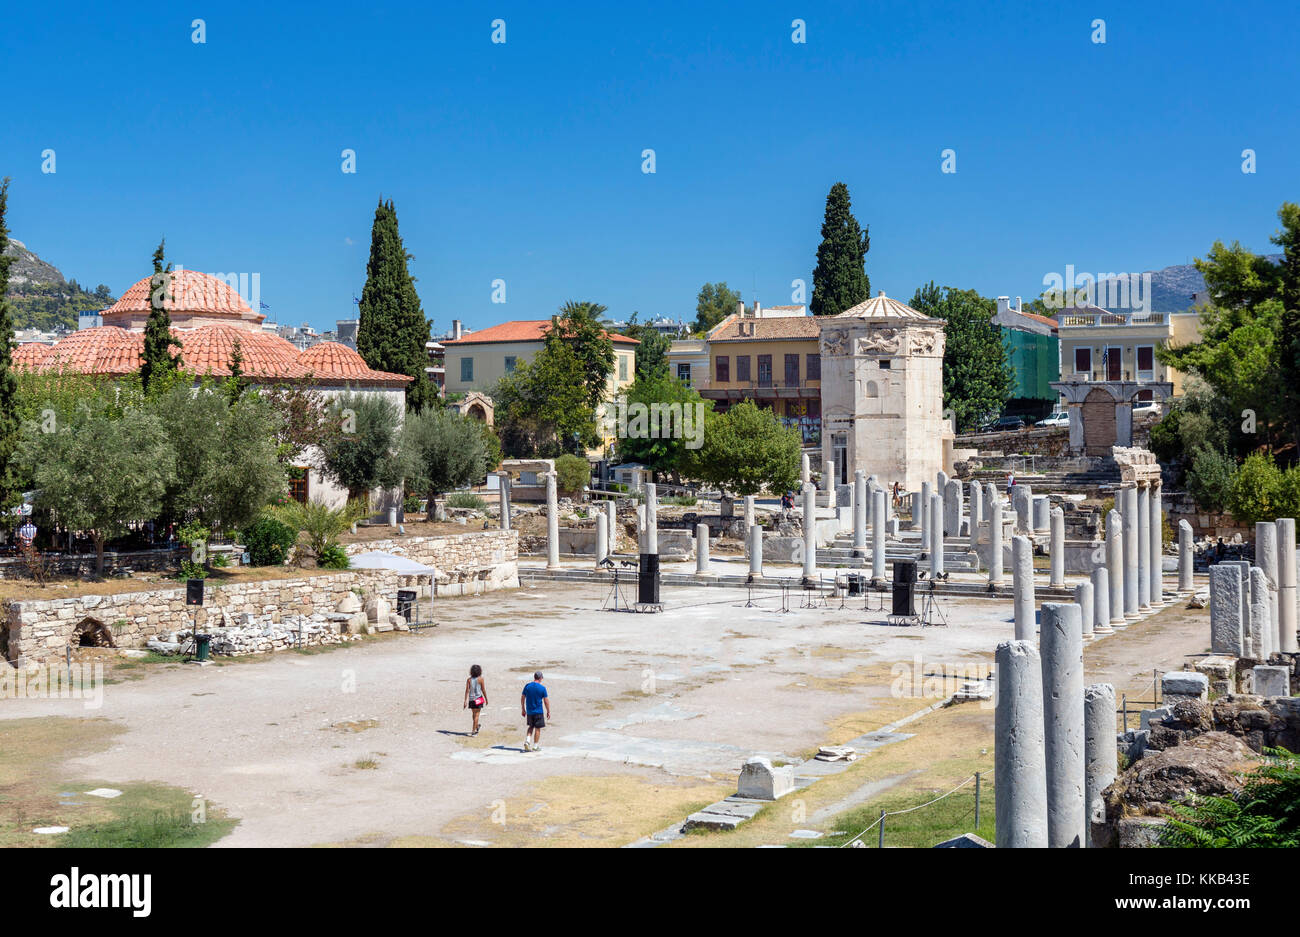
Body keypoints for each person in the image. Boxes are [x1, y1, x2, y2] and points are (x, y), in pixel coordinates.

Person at [520, 671, 550, 752]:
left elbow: (522, 698)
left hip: (529, 711)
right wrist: (548, 711)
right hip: (538, 711)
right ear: (540, 678)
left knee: (530, 727)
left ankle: (527, 741)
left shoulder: (527, 686)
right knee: (537, 728)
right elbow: (546, 701)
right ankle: (535, 746)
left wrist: (523, 709)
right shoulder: (542, 688)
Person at [464, 664, 488, 736]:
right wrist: (486, 699)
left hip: (471, 699)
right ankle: (474, 732)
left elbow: (467, 691)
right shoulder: (481, 679)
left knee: (474, 715)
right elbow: (483, 690)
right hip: (479, 699)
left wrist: (465, 701)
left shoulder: (469, 680)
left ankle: (477, 726)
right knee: (477, 715)